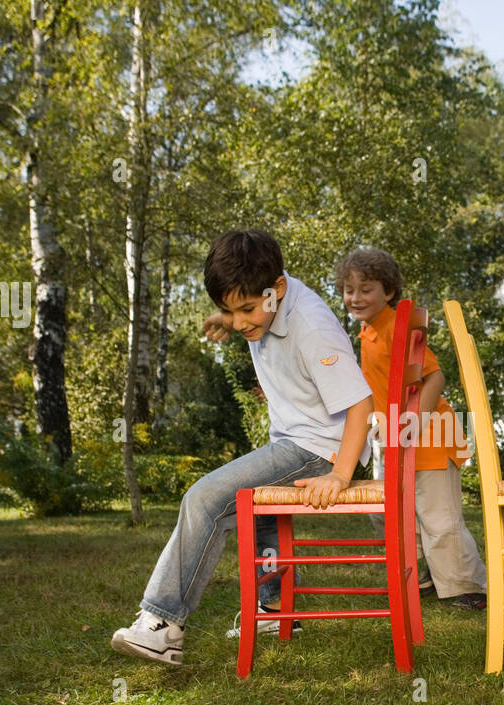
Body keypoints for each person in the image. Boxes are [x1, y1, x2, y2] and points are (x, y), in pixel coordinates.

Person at [111, 229, 374, 665]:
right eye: (228, 312)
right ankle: (273, 609)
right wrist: (230, 319)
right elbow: (246, 314)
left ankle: (162, 623)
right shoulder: (267, 306)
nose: (240, 322)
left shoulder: (312, 326)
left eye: (247, 310)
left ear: (278, 289)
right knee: (260, 513)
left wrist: (340, 474)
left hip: (319, 449)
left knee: (206, 498)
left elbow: (360, 401)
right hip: (296, 439)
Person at [336, 248, 488, 611]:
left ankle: (468, 587)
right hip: (395, 438)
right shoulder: (368, 331)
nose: (355, 297)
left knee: (437, 514)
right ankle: (419, 574)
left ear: (388, 291)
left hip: (431, 435)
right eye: (348, 289)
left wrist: (412, 421)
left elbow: (435, 375)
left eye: (365, 289)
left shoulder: (397, 326)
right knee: (387, 510)